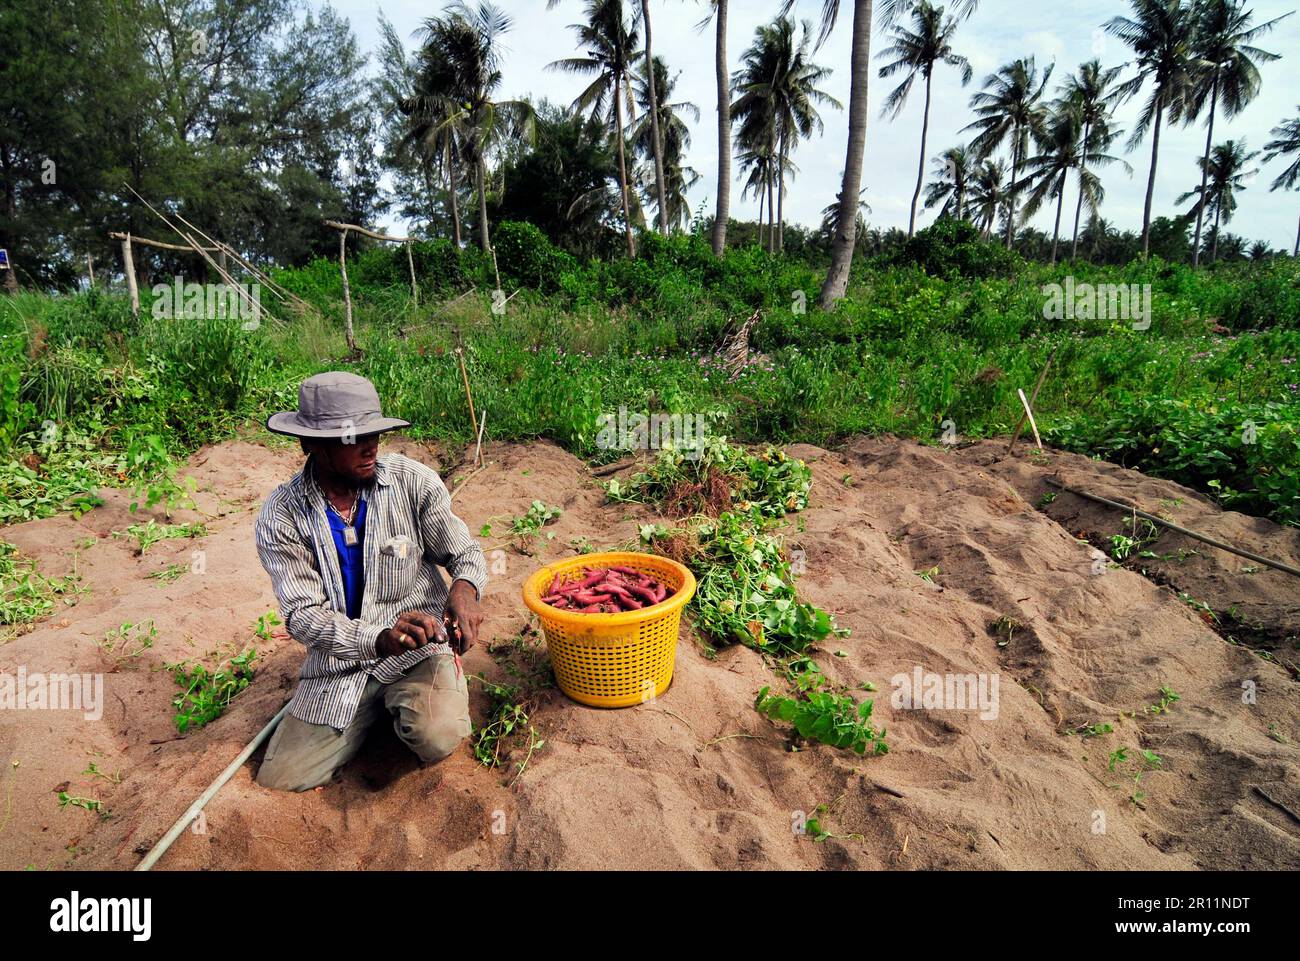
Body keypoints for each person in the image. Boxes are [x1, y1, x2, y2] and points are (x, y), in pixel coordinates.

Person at [253, 371, 486, 791]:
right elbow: (303, 617)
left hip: (418, 652)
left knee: (438, 737)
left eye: (374, 433)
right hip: (340, 665)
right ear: (312, 445)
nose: (369, 446)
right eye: (351, 438)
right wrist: (378, 639)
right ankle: (372, 712)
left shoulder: (413, 482)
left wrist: (464, 591)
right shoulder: (282, 516)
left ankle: (415, 700)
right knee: (282, 779)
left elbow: (464, 553)